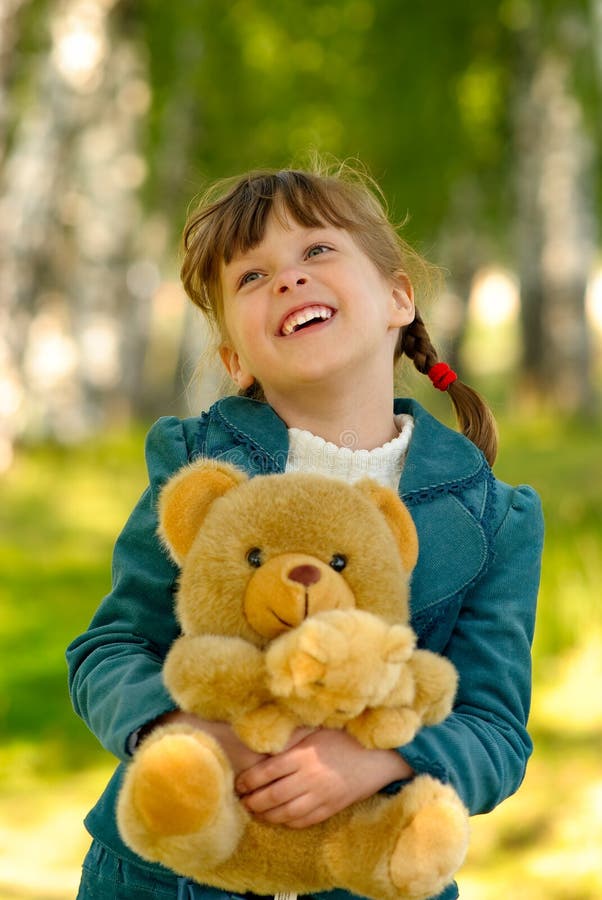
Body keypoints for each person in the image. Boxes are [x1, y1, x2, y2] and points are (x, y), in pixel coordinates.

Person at [67, 159, 544, 900]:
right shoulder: (195, 466)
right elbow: (109, 649)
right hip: (168, 876)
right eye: (250, 278)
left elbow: (496, 731)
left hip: (366, 873)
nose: (287, 278)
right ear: (236, 360)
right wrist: (180, 729)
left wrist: (382, 760)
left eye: (317, 251)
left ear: (397, 298)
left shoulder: (496, 518)